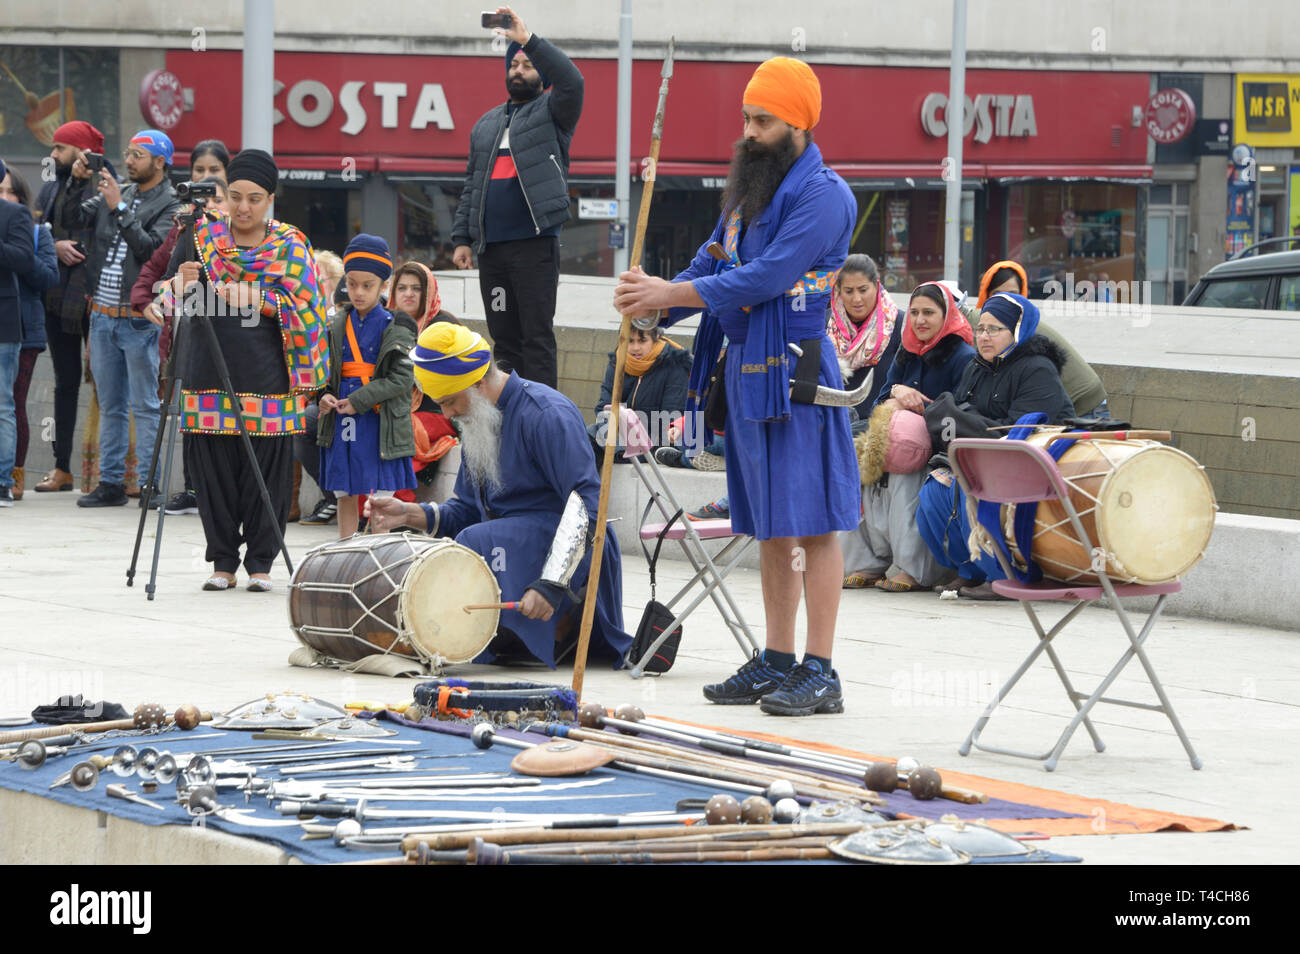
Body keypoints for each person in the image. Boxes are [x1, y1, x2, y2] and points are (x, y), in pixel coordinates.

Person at [613, 57, 859, 716]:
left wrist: (674, 291)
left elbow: (768, 277)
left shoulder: (826, 194)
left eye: (764, 120)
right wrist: (654, 301)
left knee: (815, 528)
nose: (750, 132)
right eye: (746, 118)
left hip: (800, 370)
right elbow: (714, 260)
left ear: (799, 122)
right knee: (771, 527)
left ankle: (821, 670)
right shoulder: (750, 188)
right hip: (747, 372)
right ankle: (778, 658)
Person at [366, 322, 630, 668]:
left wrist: (550, 584)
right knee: (446, 546)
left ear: (477, 383)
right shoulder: (479, 418)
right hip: (509, 543)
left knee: (476, 538)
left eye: (448, 402)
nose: (446, 414)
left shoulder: (546, 413)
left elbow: (587, 508)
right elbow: (467, 509)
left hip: (571, 552)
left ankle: (556, 628)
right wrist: (411, 514)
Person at [153, 148, 329, 591]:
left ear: (270, 198)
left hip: (267, 375)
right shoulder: (200, 234)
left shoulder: (290, 244)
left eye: (254, 198)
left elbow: (311, 308)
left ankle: (262, 564)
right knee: (211, 470)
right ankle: (223, 562)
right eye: (235, 196)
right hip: (205, 369)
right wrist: (176, 287)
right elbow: (164, 294)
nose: (243, 207)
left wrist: (260, 300)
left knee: (264, 472)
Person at [451, 6, 583, 389]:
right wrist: (462, 239)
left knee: (536, 338)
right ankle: (509, 414)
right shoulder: (486, 124)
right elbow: (472, 185)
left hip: (534, 248)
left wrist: (527, 40)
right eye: (514, 65)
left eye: (527, 64)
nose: (519, 71)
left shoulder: (553, 112)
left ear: (541, 73)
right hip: (492, 253)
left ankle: (542, 416)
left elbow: (573, 81)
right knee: (504, 339)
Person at [915, 292, 1076, 599]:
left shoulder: (1037, 368)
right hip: (982, 455)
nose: (984, 337)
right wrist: (967, 418)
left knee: (973, 490)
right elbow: (960, 413)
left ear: (1017, 331)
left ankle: (1001, 573)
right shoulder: (977, 367)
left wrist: (966, 418)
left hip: (1031, 464)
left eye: (995, 330)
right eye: (981, 329)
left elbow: (1022, 428)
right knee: (935, 491)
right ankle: (968, 570)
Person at [63, 128, 181, 508]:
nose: (128, 161)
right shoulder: (122, 192)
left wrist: (119, 210)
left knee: (145, 405)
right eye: (127, 153)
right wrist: (75, 182)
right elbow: (71, 218)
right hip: (101, 314)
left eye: (137, 155)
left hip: (139, 318)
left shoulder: (172, 203)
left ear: (160, 162)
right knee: (110, 402)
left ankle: (149, 485)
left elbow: (152, 252)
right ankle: (111, 483)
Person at [840, 281, 975, 592]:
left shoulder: (962, 355)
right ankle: (870, 561)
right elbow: (879, 402)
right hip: (896, 440)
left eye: (929, 312)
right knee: (864, 467)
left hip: (938, 447)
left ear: (947, 315)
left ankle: (911, 568)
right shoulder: (907, 350)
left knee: (904, 477)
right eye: (914, 312)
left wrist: (918, 406)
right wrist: (898, 394)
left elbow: (960, 413)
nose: (919, 320)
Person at [134, 146, 231, 516]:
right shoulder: (185, 233)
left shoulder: (241, 239)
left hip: (236, 339)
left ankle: (223, 491)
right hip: (192, 335)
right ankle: (191, 488)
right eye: (203, 197)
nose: (209, 205)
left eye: (217, 198)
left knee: (228, 415)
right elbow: (161, 278)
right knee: (192, 410)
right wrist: (163, 291)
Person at [315, 234, 417, 538]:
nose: (358, 292)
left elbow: (402, 378)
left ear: (384, 286)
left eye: (367, 285)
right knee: (344, 491)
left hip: (377, 415)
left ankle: (378, 552)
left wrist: (359, 400)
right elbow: (323, 372)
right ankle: (345, 549)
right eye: (353, 283)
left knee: (381, 495)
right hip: (340, 412)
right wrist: (323, 396)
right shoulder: (334, 323)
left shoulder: (396, 325)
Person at [32, 120, 102, 494]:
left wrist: (80, 183)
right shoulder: (49, 188)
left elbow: (93, 225)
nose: (53, 154)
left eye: (60, 148)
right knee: (66, 383)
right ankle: (62, 468)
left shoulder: (107, 186)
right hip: (57, 296)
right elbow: (39, 229)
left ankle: (108, 473)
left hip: (96, 298)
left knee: (107, 388)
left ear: (81, 151)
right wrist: (56, 244)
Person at [972, 260, 1108, 417]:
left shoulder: (1024, 328)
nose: (1006, 300)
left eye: (1014, 294)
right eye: (997, 294)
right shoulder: (986, 333)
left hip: (1085, 407)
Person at [1, 168, 60, 500]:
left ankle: (14, 473)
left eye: (9, 192)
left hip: (25, 330)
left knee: (12, 403)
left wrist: (20, 256)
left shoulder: (37, 233)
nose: (4, 197)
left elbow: (49, 278)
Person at [588, 326, 691, 462]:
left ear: (655, 340)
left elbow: (670, 418)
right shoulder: (618, 362)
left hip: (655, 440)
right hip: (620, 438)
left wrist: (628, 446)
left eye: (642, 341)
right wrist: (616, 444)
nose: (635, 348)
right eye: (630, 341)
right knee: (583, 440)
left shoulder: (675, 365)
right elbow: (605, 409)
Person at [0, 157, 37, 507]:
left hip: (4, 322)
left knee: (2, 405)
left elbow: (24, 258)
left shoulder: (14, 215)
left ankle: (2, 483)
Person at [827, 253, 901, 425]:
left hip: (881, 430)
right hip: (833, 425)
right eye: (848, 291)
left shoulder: (899, 325)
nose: (856, 299)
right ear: (838, 289)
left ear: (876, 286)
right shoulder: (824, 327)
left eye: (863, 290)